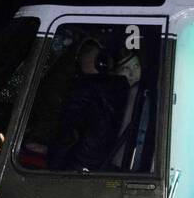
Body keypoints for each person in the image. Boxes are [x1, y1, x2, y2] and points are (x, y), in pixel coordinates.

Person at [47, 38, 131, 171]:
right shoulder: (122, 87)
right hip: (103, 166)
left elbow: (68, 136)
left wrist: (53, 168)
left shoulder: (83, 89)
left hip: (79, 167)